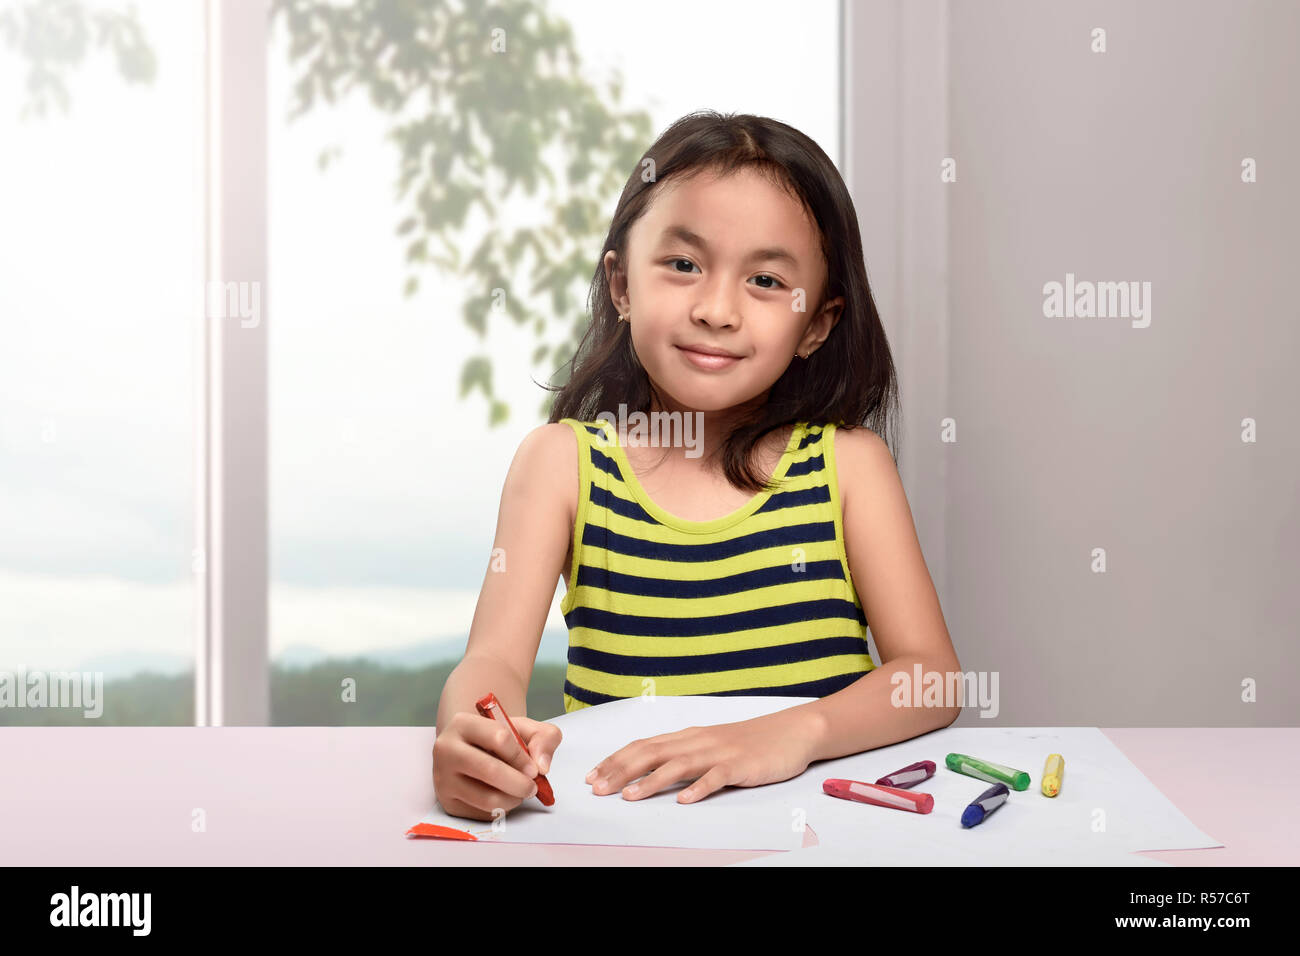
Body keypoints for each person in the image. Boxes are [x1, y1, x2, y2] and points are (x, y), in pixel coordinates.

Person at [433, 110, 961, 822]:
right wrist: (473, 738)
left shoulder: (847, 467)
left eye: (766, 281)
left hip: (824, 833)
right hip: (627, 828)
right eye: (683, 265)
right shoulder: (562, 465)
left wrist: (791, 733)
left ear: (817, 324)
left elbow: (929, 679)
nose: (716, 310)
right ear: (621, 286)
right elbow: (491, 664)